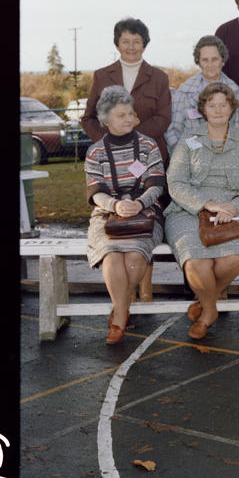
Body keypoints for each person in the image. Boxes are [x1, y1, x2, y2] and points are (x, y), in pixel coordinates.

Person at [81, 17, 171, 302]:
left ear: (144, 44)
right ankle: (124, 295)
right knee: (117, 220)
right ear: (117, 43)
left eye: (137, 41)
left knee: (145, 218)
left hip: (148, 158)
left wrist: (133, 139)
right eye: (125, 41)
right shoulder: (101, 75)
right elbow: (89, 118)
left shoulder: (158, 77)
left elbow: (164, 118)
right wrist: (109, 144)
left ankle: (145, 291)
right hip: (111, 166)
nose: (131, 46)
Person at [164, 83, 239, 340]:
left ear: (232, 108)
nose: (218, 110)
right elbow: (175, 183)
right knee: (197, 263)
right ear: (203, 109)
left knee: (230, 260)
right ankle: (210, 311)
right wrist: (207, 204)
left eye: (223, 104)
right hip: (189, 211)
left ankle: (206, 304)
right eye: (212, 105)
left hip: (234, 212)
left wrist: (233, 208)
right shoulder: (189, 141)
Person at [84, 86, 165, 344]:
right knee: (111, 255)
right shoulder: (95, 152)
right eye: (121, 115)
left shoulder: (148, 145)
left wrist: (139, 203)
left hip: (145, 213)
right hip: (107, 215)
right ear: (106, 119)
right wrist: (115, 205)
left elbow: (157, 184)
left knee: (133, 255)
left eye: (131, 113)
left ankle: (118, 313)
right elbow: (95, 192)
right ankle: (122, 310)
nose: (129, 118)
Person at [165, 35, 239, 154]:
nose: (210, 65)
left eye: (214, 59)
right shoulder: (184, 91)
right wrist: (185, 159)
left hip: (226, 158)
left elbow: (238, 131)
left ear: (222, 60)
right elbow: (172, 132)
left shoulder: (236, 92)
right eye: (205, 60)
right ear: (198, 62)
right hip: (191, 159)